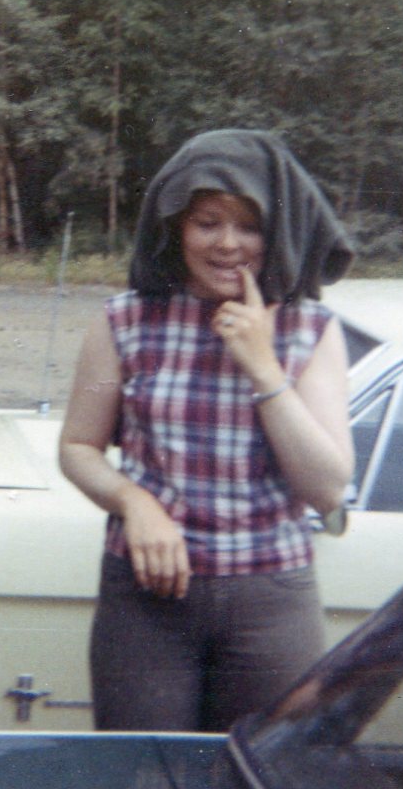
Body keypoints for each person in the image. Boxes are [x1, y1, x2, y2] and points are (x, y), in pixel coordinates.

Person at [58, 128, 355, 733]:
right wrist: (132, 500)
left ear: (278, 232)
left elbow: (327, 488)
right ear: (176, 228)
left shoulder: (310, 329)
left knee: (259, 771)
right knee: (145, 775)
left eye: (249, 226)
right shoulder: (124, 321)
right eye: (207, 223)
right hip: (147, 600)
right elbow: (78, 447)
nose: (227, 245)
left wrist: (262, 365)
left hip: (271, 600)